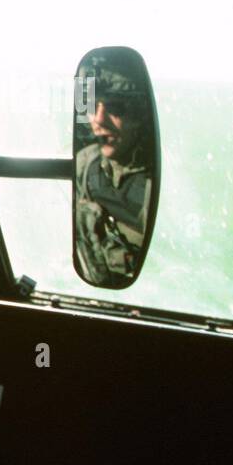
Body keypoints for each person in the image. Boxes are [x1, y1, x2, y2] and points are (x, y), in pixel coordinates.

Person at [73, 50, 155, 287]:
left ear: (140, 116)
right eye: (92, 107)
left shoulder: (152, 187)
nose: (98, 120)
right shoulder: (86, 164)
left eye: (115, 108)